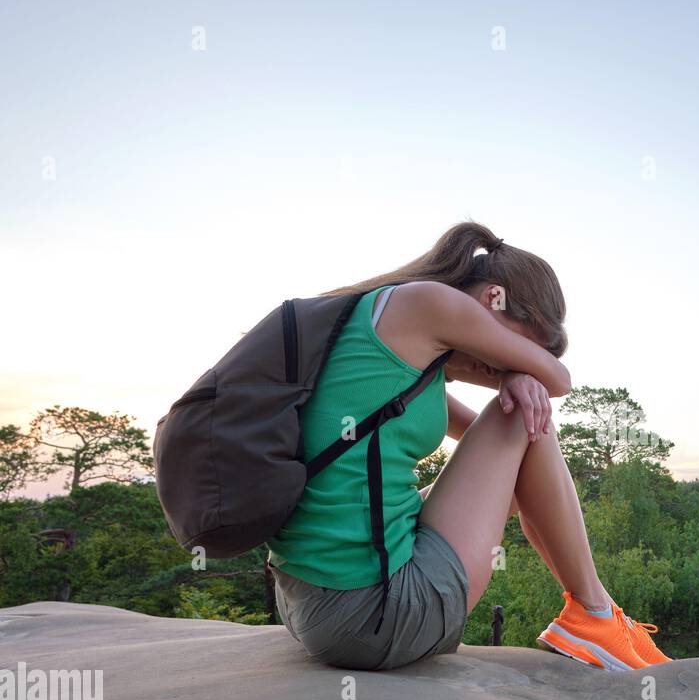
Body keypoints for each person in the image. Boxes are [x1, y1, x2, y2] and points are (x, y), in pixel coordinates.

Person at [266, 222, 670, 673]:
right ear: (489, 299)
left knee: (524, 416)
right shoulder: (432, 302)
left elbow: (501, 455)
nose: (498, 357)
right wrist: (517, 375)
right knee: (527, 412)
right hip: (374, 616)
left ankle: (594, 611)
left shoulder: (383, 328)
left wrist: (512, 379)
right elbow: (557, 380)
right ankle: (593, 614)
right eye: (511, 344)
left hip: (311, 606)